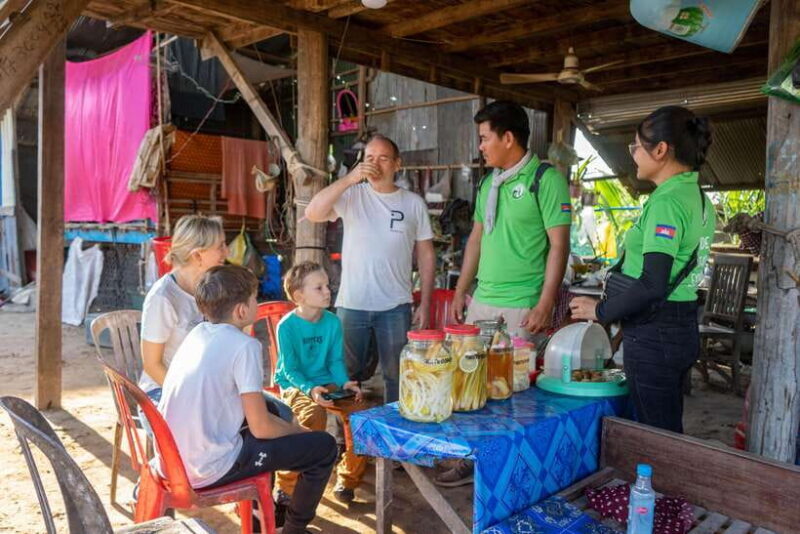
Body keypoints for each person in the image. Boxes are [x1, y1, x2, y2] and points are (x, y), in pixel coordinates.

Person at [157, 265, 338, 534]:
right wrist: (296, 430)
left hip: (172, 457)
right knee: (324, 446)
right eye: (255, 298)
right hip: (207, 467)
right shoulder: (245, 346)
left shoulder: (197, 333)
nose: (257, 303)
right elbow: (261, 428)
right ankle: (295, 528)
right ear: (241, 310)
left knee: (271, 408)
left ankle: (258, 520)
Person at [570, 105, 716, 434]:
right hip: (680, 326)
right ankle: (663, 483)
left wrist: (600, 310)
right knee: (667, 425)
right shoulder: (697, 197)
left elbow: (652, 283)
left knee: (654, 436)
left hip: (655, 333)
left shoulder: (667, 202)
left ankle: (661, 485)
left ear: (661, 150)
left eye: (636, 146)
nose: (633, 154)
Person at [305, 134, 436, 404]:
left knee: (397, 375)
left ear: (397, 164)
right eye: (369, 158)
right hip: (353, 304)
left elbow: (425, 254)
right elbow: (313, 213)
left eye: (383, 158)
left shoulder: (413, 203)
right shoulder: (352, 194)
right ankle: (348, 439)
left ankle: (394, 436)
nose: (375, 164)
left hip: (396, 305)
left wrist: (425, 301)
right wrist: (349, 179)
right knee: (347, 376)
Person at [273, 262, 366, 506]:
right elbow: (291, 370)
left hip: (327, 380)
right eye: (319, 287)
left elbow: (335, 360)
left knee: (361, 415)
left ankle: (347, 478)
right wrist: (310, 390)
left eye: (328, 286)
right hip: (295, 384)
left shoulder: (333, 322)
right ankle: (286, 485)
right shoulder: (287, 326)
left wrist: (345, 382)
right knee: (312, 415)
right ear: (299, 296)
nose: (328, 291)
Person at [140, 215, 228, 404]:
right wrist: (191, 397)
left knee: (273, 413)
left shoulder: (210, 288)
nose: (226, 252)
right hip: (163, 390)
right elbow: (152, 365)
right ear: (197, 255)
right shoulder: (163, 298)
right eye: (220, 246)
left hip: (202, 386)